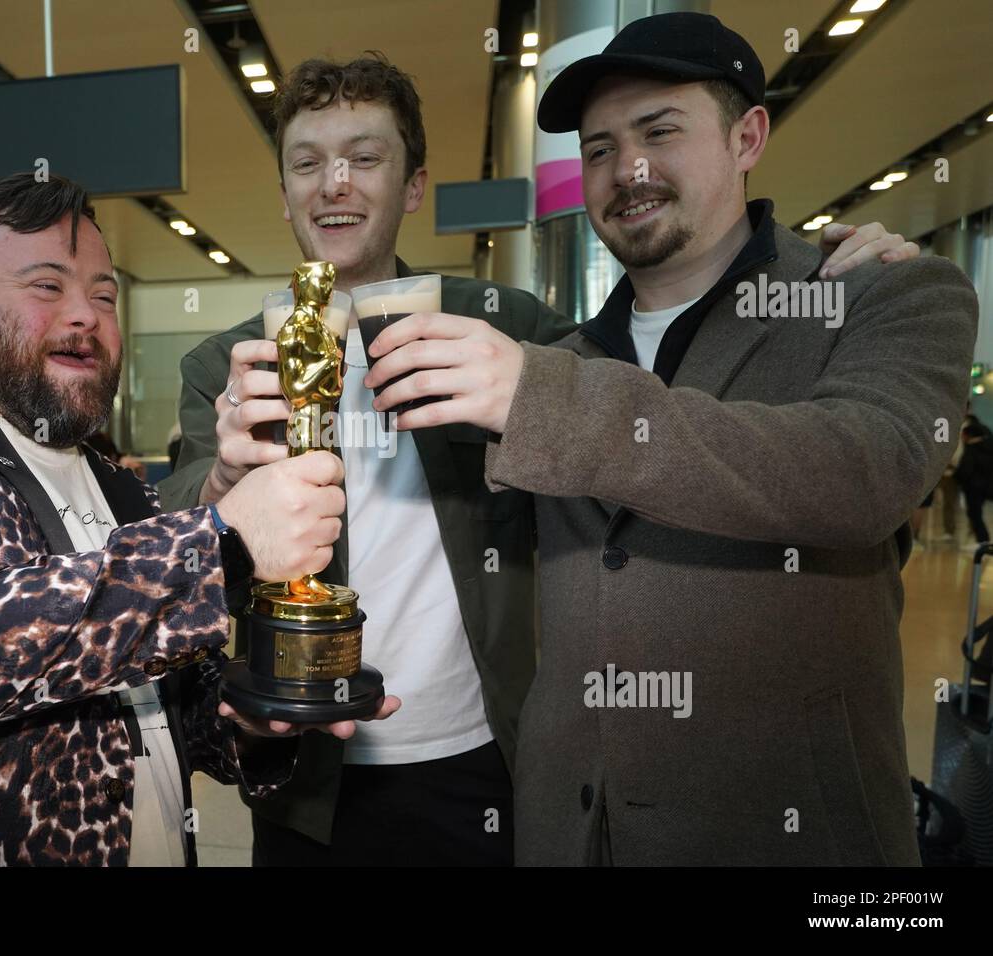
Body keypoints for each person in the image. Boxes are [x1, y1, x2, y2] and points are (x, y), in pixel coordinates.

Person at [160, 52, 919, 866]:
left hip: (487, 762)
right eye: (308, 164)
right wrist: (222, 486)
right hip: (310, 774)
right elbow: (172, 546)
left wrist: (809, 267)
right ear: (283, 195)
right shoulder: (228, 365)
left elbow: (667, 386)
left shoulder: (502, 325)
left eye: (366, 158)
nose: (334, 183)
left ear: (415, 186)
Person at [364, 12, 978, 865]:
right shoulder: (565, 351)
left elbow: (864, 471)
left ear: (747, 135)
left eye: (660, 131)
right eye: (600, 147)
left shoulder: (883, 295)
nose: (629, 169)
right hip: (570, 833)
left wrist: (541, 397)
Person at [0, 173, 397, 867]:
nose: (86, 315)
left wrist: (252, 720)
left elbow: (160, 702)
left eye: (103, 294)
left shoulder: (120, 486)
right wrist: (224, 544)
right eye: (47, 286)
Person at [956, 423, 993, 545]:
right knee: (977, 513)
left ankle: (982, 540)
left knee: (974, 514)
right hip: (987, 486)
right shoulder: (989, 446)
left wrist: (958, 478)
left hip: (973, 487)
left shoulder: (971, 449)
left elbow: (966, 469)